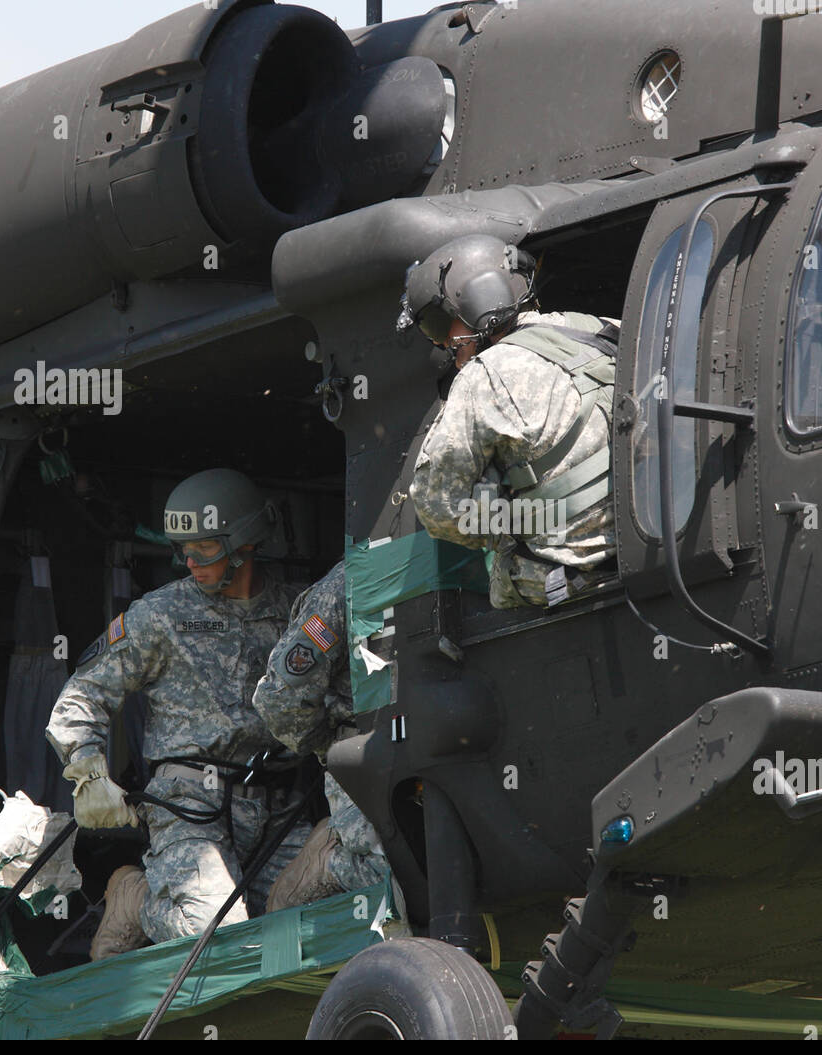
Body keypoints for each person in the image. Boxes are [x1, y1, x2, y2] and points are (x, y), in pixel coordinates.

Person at [45, 468, 309, 958]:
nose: (189, 561)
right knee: (212, 937)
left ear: (245, 542)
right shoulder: (158, 615)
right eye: (180, 549)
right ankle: (136, 898)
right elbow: (83, 695)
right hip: (190, 806)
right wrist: (87, 773)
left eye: (204, 548)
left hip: (282, 804)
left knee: (327, 909)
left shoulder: (299, 611)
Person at [400, 234, 620, 609]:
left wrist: (511, 509)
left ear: (480, 302)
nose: (443, 346)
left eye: (441, 328)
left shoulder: (482, 376)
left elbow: (439, 508)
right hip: (651, 546)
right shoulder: (607, 329)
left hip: (567, 580)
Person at [252, 561, 388, 907]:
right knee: (388, 877)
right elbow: (280, 698)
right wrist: (330, 746)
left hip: (451, 747)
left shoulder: (479, 561)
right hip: (368, 758)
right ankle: (328, 860)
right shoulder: (351, 583)